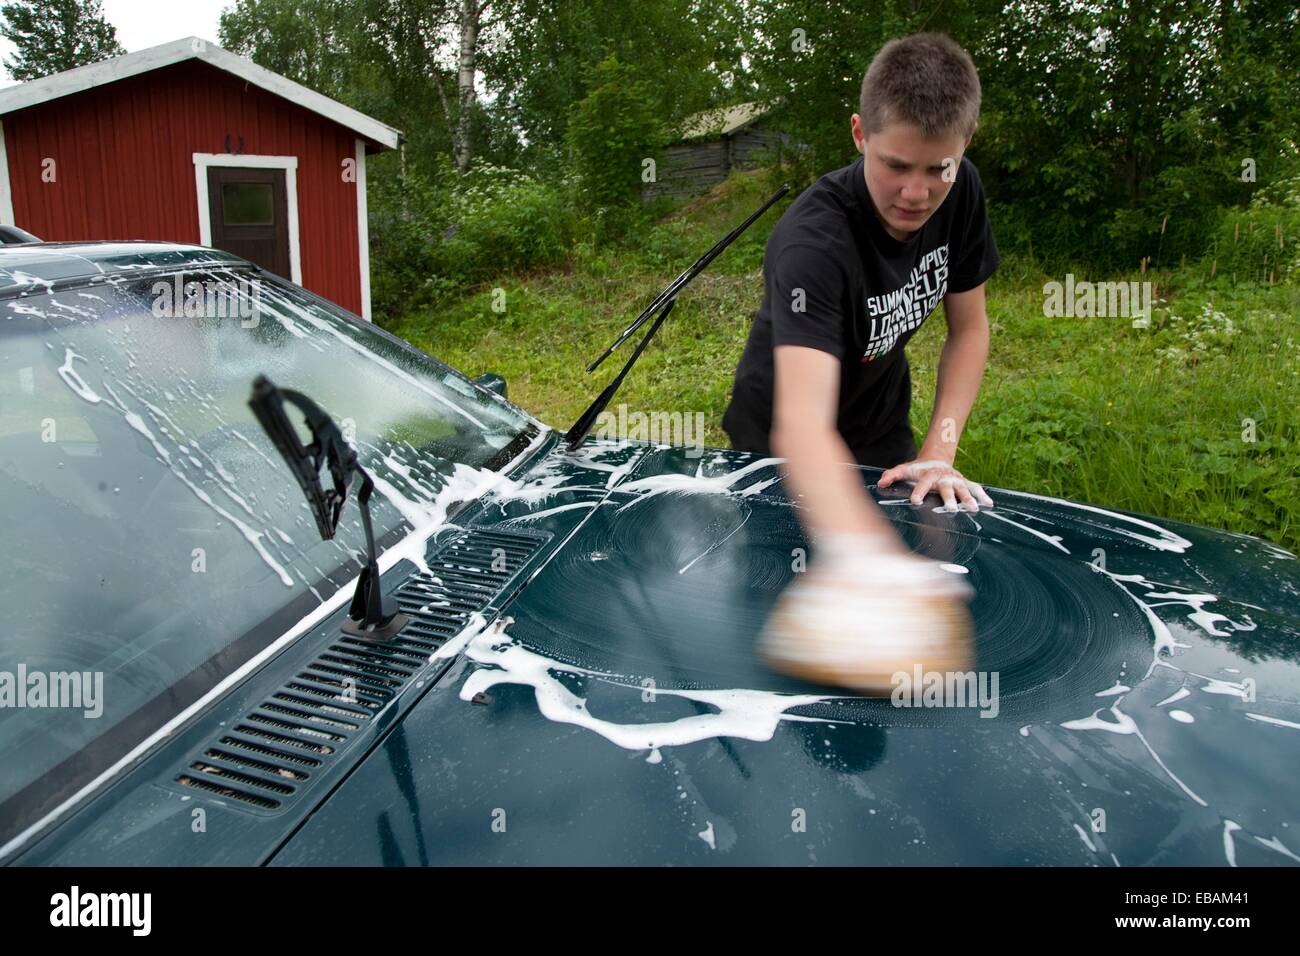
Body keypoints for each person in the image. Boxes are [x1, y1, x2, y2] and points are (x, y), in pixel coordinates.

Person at [720, 33, 1000, 692]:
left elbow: (970, 331)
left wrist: (941, 449)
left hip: (880, 427)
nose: (917, 192)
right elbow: (803, 427)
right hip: (777, 440)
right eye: (896, 164)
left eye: (940, 168)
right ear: (858, 133)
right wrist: (860, 553)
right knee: (793, 612)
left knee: (895, 616)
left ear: (966, 145)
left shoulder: (962, 194)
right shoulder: (812, 243)